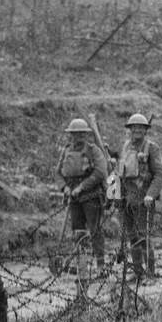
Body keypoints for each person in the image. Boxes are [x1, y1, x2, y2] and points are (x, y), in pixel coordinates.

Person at [56, 117, 110, 277]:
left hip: (92, 196)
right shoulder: (66, 151)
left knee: (95, 230)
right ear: (70, 135)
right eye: (75, 134)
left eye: (81, 134)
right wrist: (64, 187)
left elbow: (100, 172)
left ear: (86, 135)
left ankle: (101, 266)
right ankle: (82, 265)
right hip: (73, 197)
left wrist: (82, 187)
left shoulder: (93, 150)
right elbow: (57, 173)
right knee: (78, 231)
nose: (78, 137)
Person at [115, 114, 162, 282]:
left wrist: (151, 194)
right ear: (129, 129)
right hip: (126, 198)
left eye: (140, 127)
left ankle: (150, 273)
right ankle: (137, 271)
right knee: (132, 236)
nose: (137, 130)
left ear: (145, 130)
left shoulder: (152, 148)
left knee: (145, 236)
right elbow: (120, 172)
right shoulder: (126, 146)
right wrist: (116, 195)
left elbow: (159, 175)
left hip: (144, 199)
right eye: (133, 127)